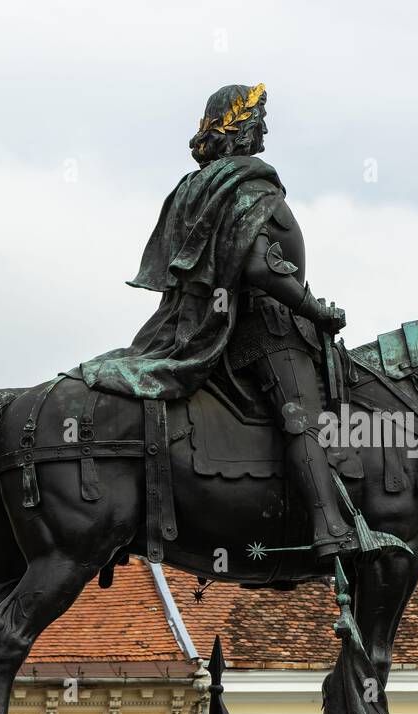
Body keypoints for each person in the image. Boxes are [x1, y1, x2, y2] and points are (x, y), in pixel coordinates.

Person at [80, 83, 358, 559]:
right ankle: (328, 527)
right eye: (259, 118)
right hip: (264, 327)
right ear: (240, 125)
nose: (265, 127)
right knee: (301, 419)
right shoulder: (245, 186)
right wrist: (316, 310)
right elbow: (258, 266)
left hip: (206, 326)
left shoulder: (196, 187)